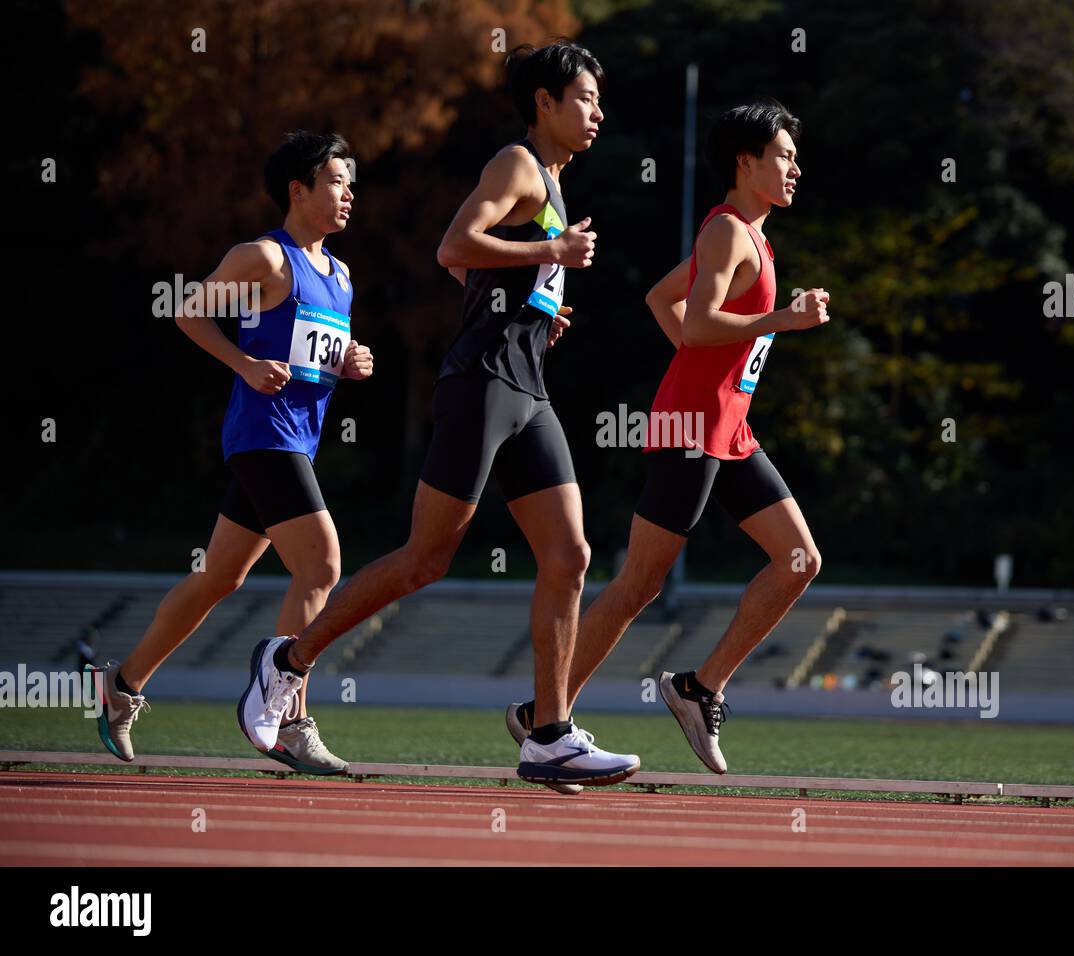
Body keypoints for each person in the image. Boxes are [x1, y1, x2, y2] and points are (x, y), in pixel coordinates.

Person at [236, 42, 639, 792]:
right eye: (585, 97)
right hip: (483, 382)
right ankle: (288, 658)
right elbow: (451, 244)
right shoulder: (517, 164)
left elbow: (471, 267)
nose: (598, 112)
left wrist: (537, 301)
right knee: (426, 559)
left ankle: (548, 734)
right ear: (545, 102)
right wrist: (547, 250)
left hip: (528, 382)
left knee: (571, 555)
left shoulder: (551, 177)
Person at [508, 99, 828, 774]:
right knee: (637, 585)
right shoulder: (728, 233)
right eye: (784, 156)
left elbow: (664, 302)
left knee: (799, 560)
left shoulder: (753, 237)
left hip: (727, 428)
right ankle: (545, 718)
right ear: (746, 162)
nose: (795, 167)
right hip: (691, 427)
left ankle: (699, 687)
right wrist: (782, 321)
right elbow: (704, 321)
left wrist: (714, 360)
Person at [94, 131, 373, 775]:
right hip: (262, 437)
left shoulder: (342, 275)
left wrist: (351, 362)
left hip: (299, 440)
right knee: (322, 565)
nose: (348, 193)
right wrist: (245, 364)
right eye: (335, 181)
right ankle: (287, 713)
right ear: (297, 190)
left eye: (350, 182)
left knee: (220, 578)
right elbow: (190, 312)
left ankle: (122, 686)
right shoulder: (264, 259)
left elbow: (320, 357)